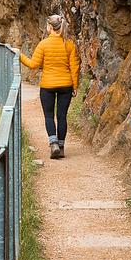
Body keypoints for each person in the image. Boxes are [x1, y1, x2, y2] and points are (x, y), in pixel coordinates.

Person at [19, 13, 79, 159]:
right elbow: (74, 67)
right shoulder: (70, 44)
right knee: (62, 116)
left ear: (50, 27)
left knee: (49, 115)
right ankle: (62, 146)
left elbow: (33, 65)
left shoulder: (43, 44)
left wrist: (19, 55)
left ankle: (53, 144)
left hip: (48, 85)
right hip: (66, 85)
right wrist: (75, 86)